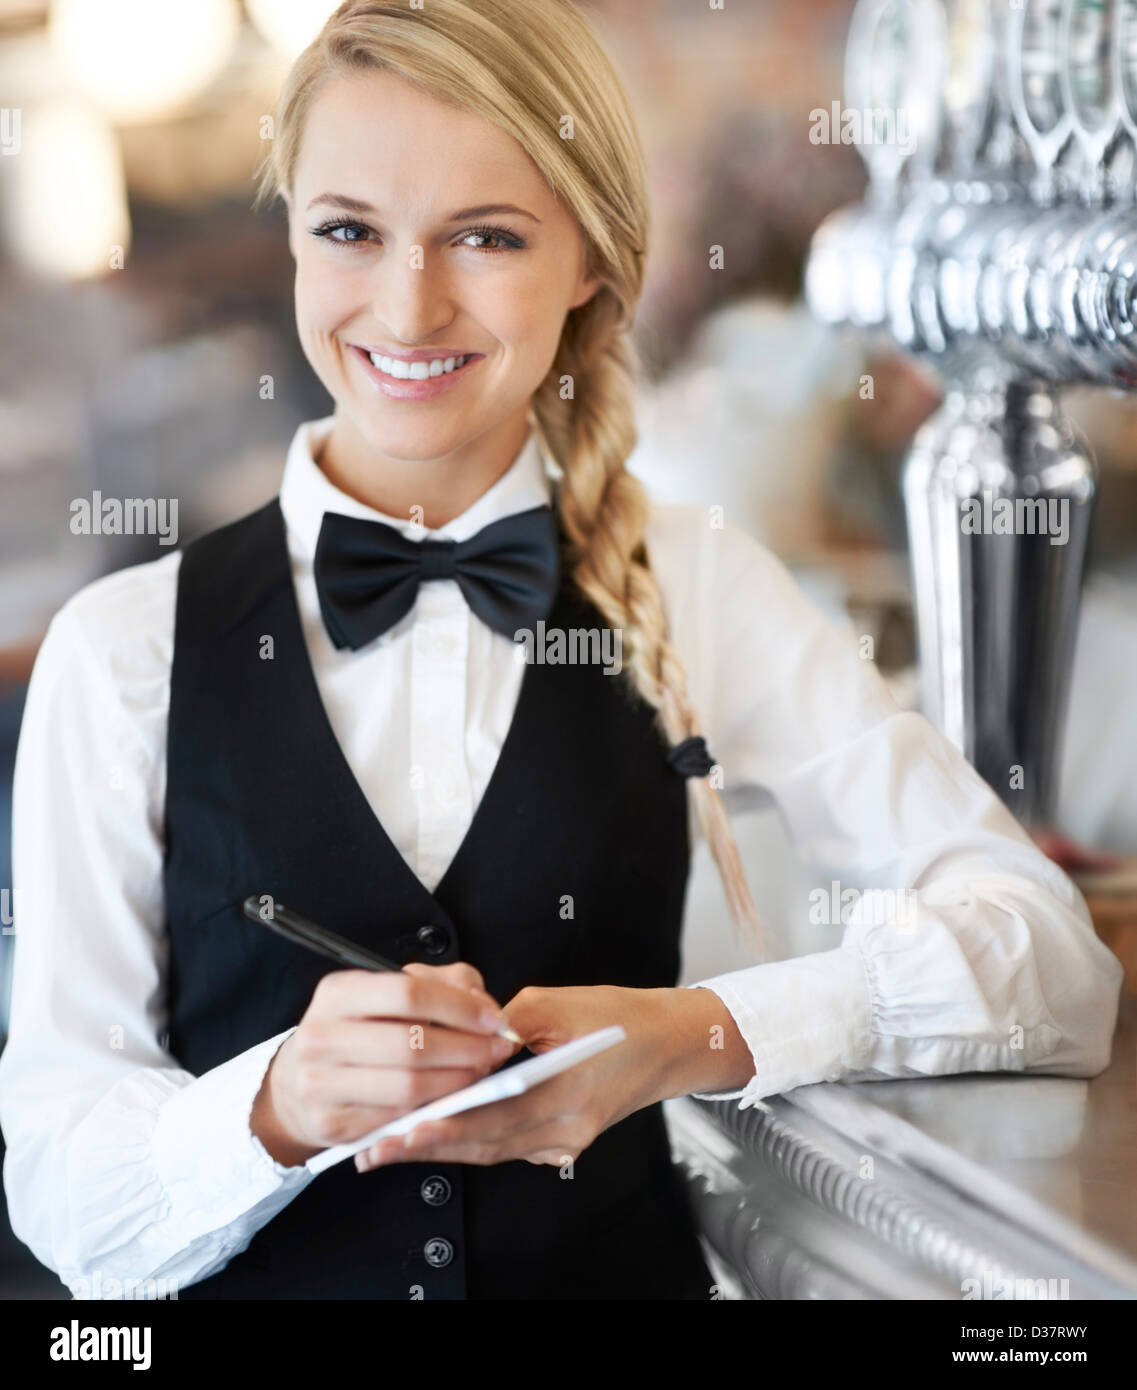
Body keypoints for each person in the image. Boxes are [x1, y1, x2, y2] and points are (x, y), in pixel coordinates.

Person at [0, 0, 1122, 1301]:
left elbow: (1049, 956)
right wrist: (275, 1104)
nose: (408, 305)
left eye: (484, 236)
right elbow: (63, 1204)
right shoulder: (120, 650)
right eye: (349, 230)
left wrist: (692, 1032)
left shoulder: (691, 580)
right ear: (295, 238)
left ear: (588, 256)